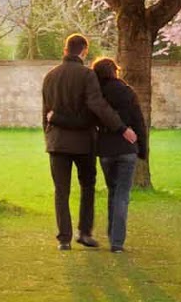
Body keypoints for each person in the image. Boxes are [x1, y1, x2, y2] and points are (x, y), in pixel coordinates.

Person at [42, 34, 135, 251]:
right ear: (84, 51)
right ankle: (84, 232)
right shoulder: (87, 75)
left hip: (57, 142)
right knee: (87, 186)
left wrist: (49, 134)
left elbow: (46, 112)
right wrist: (120, 127)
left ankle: (64, 238)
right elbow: (97, 105)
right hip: (84, 142)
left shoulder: (50, 76)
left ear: (65, 50)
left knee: (61, 191)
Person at [92, 57, 148, 254]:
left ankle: (112, 235)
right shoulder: (127, 91)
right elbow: (139, 122)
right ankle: (117, 242)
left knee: (113, 191)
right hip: (127, 149)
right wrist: (143, 149)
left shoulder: (96, 94)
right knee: (122, 195)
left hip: (106, 149)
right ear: (115, 71)